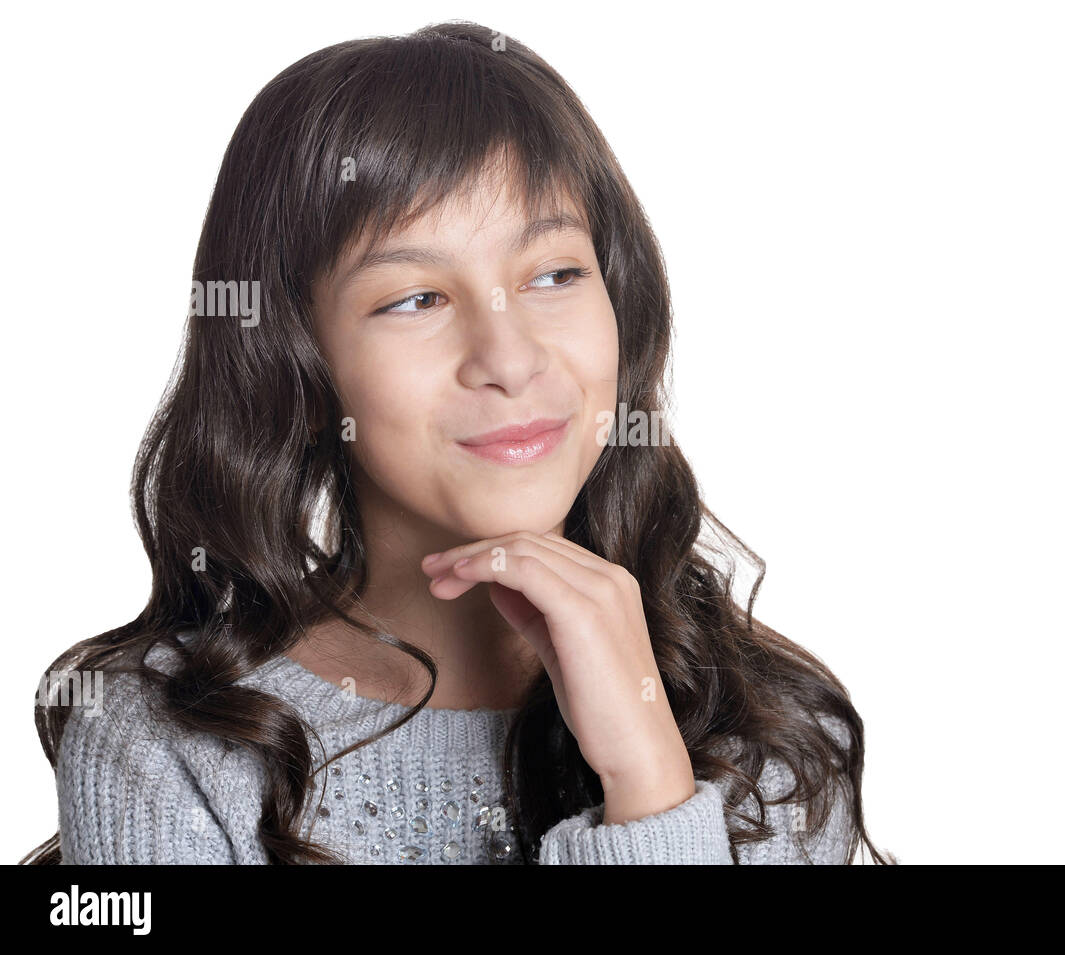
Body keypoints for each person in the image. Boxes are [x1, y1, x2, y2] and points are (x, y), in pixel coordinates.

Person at [26, 20, 894, 865]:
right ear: (296, 357)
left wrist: (649, 779)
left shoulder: (772, 739)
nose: (510, 360)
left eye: (554, 274)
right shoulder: (165, 737)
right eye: (415, 298)